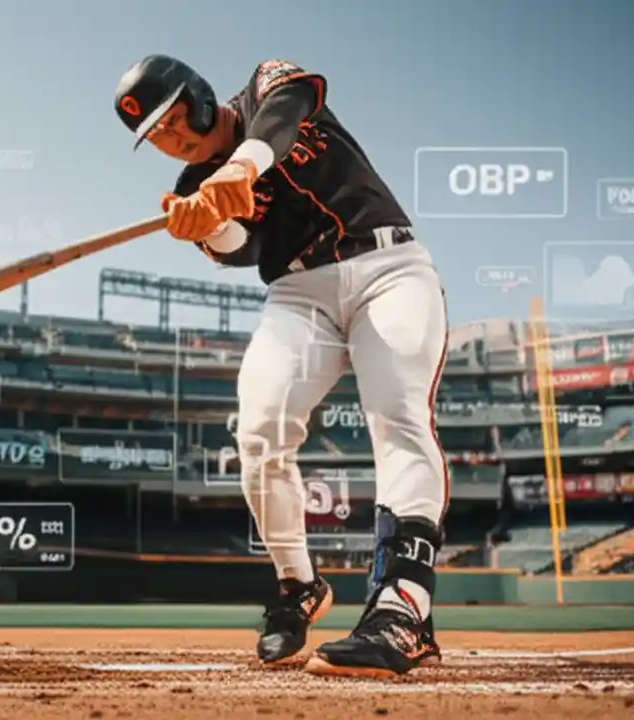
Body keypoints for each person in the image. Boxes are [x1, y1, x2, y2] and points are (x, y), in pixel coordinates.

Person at [115, 55, 450, 679]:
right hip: (298, 294)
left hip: (389, 267)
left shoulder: (267, 83)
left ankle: (403, 610)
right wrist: (209, 226)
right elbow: (246, 250)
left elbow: (285, 116)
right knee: (259, 432)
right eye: (153, 134)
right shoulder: (191, 186)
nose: (169, 136)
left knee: (398, 415)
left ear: (200, 96)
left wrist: (238, 170)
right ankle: (298, 585)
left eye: (171, 116)